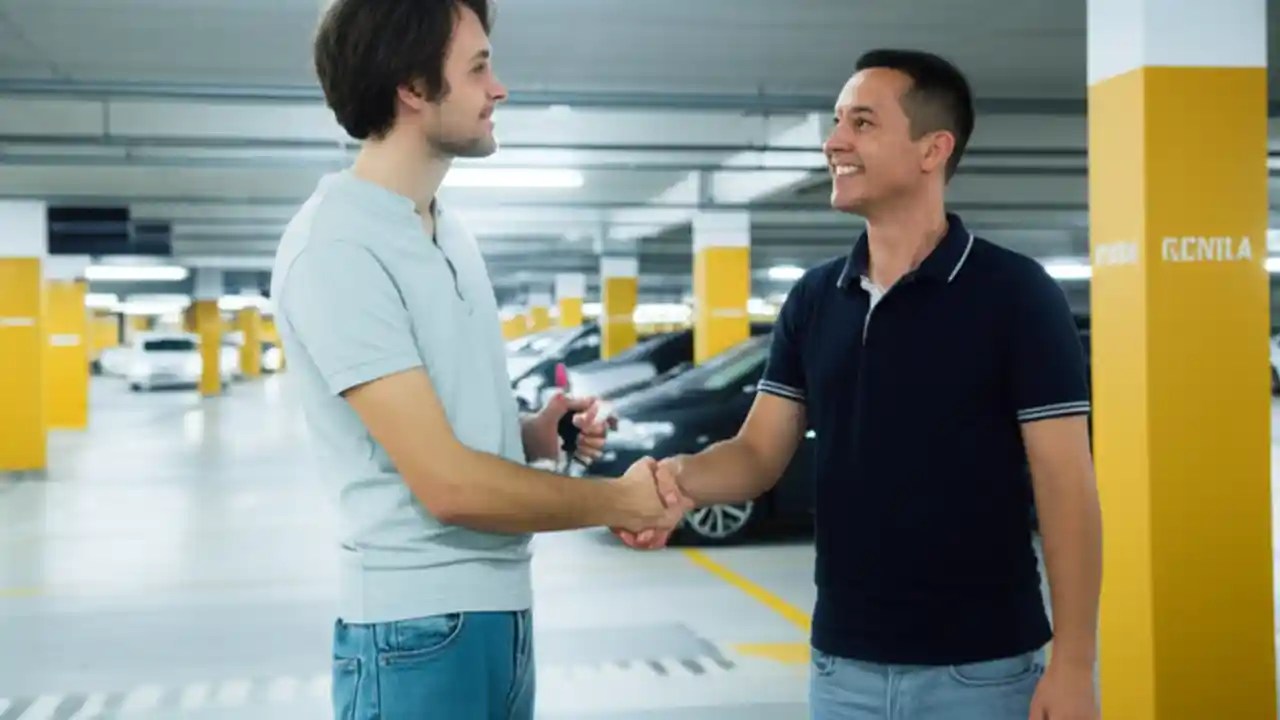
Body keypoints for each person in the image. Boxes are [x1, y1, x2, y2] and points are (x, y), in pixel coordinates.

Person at [624, 49, 1102, 720]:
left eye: (863, 122)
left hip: (982, 674)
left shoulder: (1017, 294)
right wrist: (674, 481)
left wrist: (1075, 663)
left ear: (933, 149)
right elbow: (759, 453)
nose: (834, 141)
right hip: (841, 670)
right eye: (837, 120)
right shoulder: (816, 298)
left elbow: (1065, 485)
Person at [269, 1, 685, 717]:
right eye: (479, 66)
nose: (500, 89)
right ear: (413, 86)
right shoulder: (337, 246)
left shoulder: (445, 229)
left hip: (497, 611)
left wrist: (531, 433)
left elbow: (439, 426)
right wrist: (618, 499)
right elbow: (448, 486)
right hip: (416, 632)